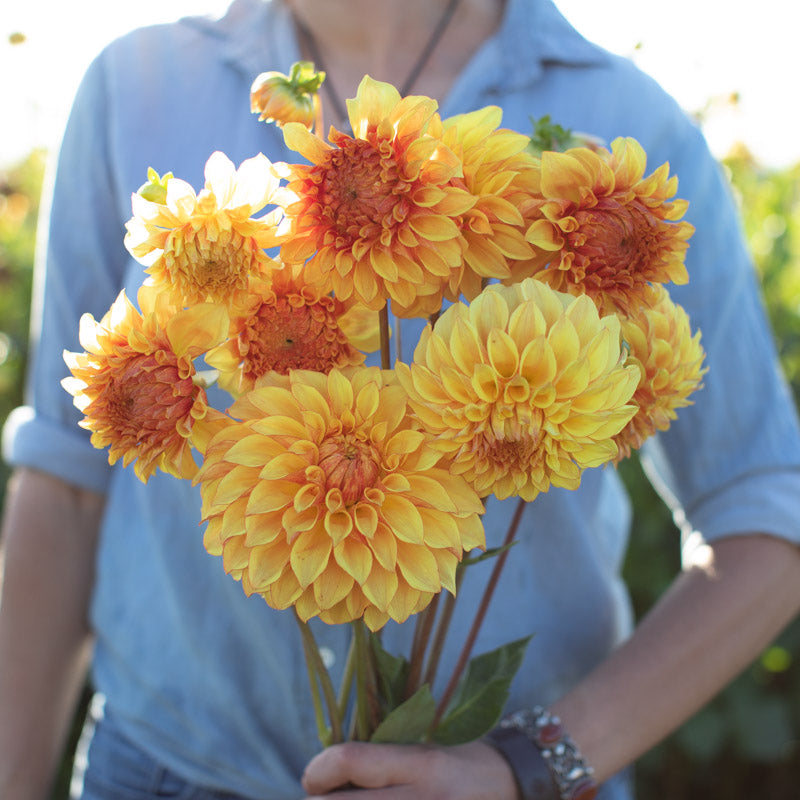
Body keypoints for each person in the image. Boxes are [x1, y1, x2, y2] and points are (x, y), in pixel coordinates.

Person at [2, 1, 800, 798]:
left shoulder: (626, 118)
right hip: (164, 770)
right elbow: (66, 484)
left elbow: (770, 509)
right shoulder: (137, 83)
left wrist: (533, 765)